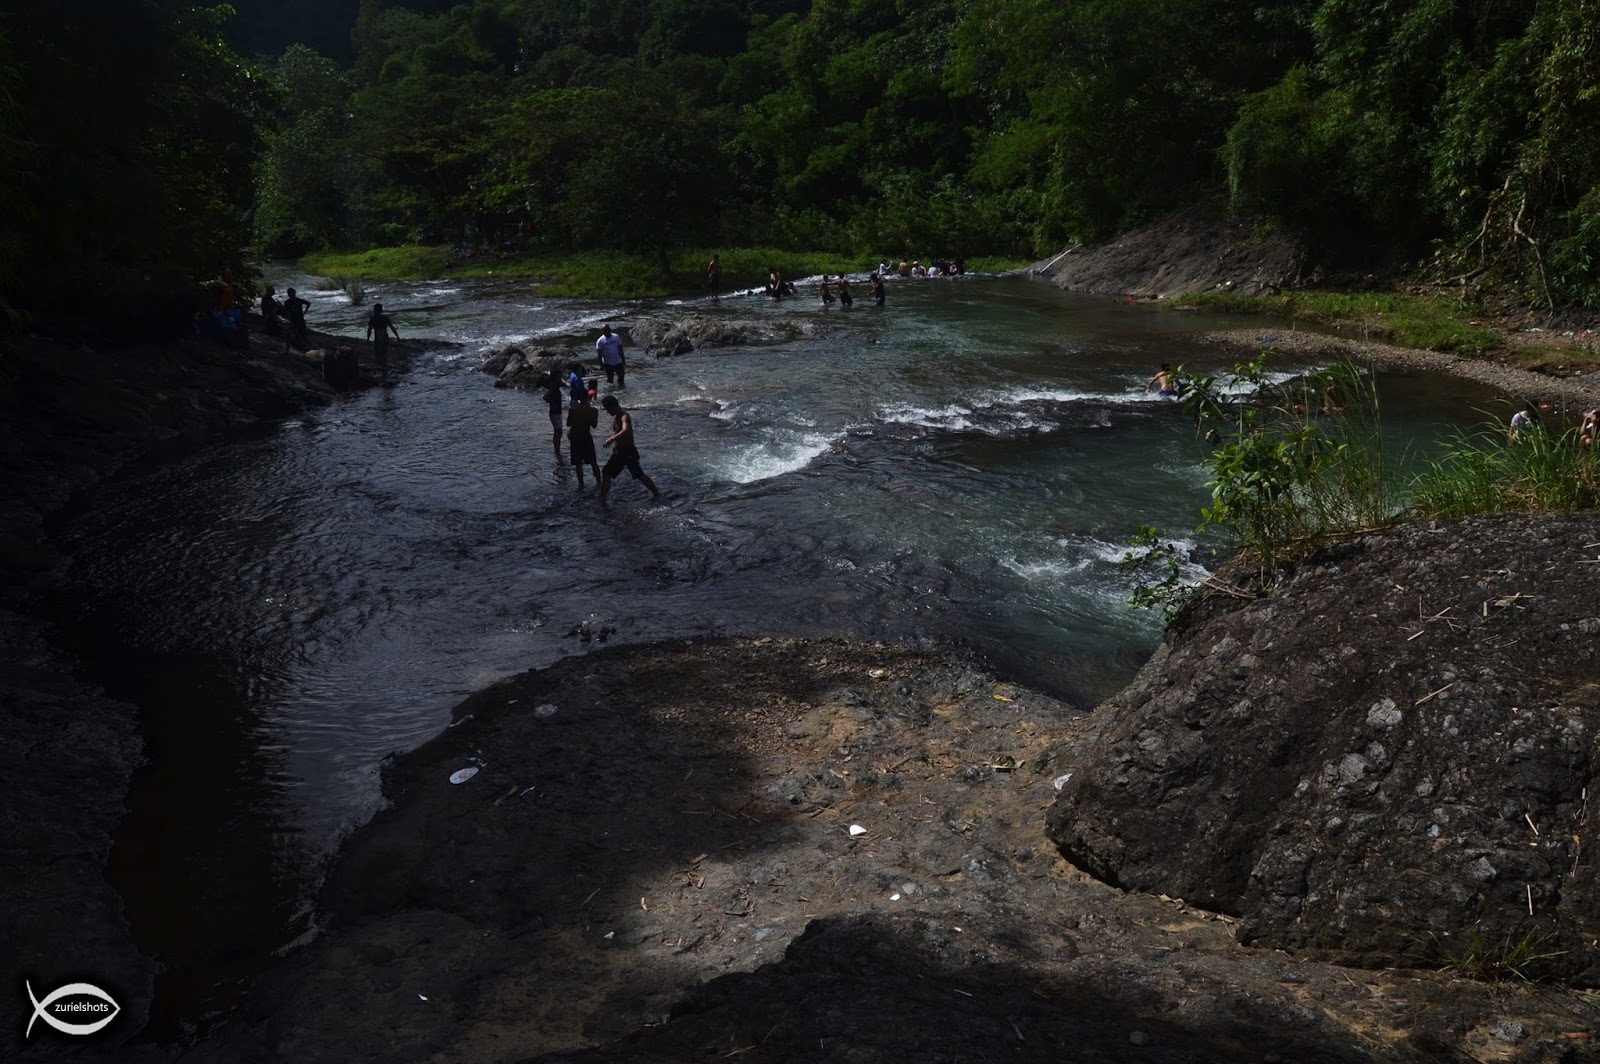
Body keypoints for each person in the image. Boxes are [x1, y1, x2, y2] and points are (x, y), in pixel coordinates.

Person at [599, 395, 661, 505]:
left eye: (608, 409)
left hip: (627, 452)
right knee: (609, 473)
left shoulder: (624, 416)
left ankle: (602, 500)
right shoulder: (617, 417)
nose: (608, 412)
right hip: (620, 451)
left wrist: (611, 439)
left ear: (613, 406)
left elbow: (626, 430)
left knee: (636, 474)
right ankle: (602, 498)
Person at [567, 388, 602, 487]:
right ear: (588, 397)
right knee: (593, 461)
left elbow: (568, 424)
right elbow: (594, 425)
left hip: (575, 436)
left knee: (578, 464)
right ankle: (599, 482)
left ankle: (581, 485)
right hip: (586, 435)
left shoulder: (573, 410)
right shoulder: (594, 411)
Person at [367, 302, 399, 377]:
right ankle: (385, 369)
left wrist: (368, 339)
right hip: (385, 338)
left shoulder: (372, 319)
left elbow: (369, 330)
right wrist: (397, 337)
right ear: (381, 310)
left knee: (378, 355)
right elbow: (392, 328)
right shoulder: (385, 318)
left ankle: (384, 369)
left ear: (374, 310)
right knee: (384, 355)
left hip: (378, 339)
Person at [541, 370, 565, 457]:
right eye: (559, 376)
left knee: (559, 431)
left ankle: (557, 449)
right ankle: (557, 450)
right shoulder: (553, 388)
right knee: (558, 431)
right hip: (554, 412)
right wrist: (552, 403)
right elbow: (545, 397)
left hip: (557, 412)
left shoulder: (556, 386)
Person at [596, 323, 625, 388]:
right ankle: (611, 391)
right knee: (610, 379)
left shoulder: (616, 337)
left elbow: (620, 348)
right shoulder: (600, 341)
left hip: (618, 361)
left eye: (607, 330)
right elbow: (599, 354)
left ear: (610, 330)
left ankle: (621, 388)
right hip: (608, 363)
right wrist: (601, 364)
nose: (606, 332)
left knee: (621, 376)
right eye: (604, 331)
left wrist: (623, 359)